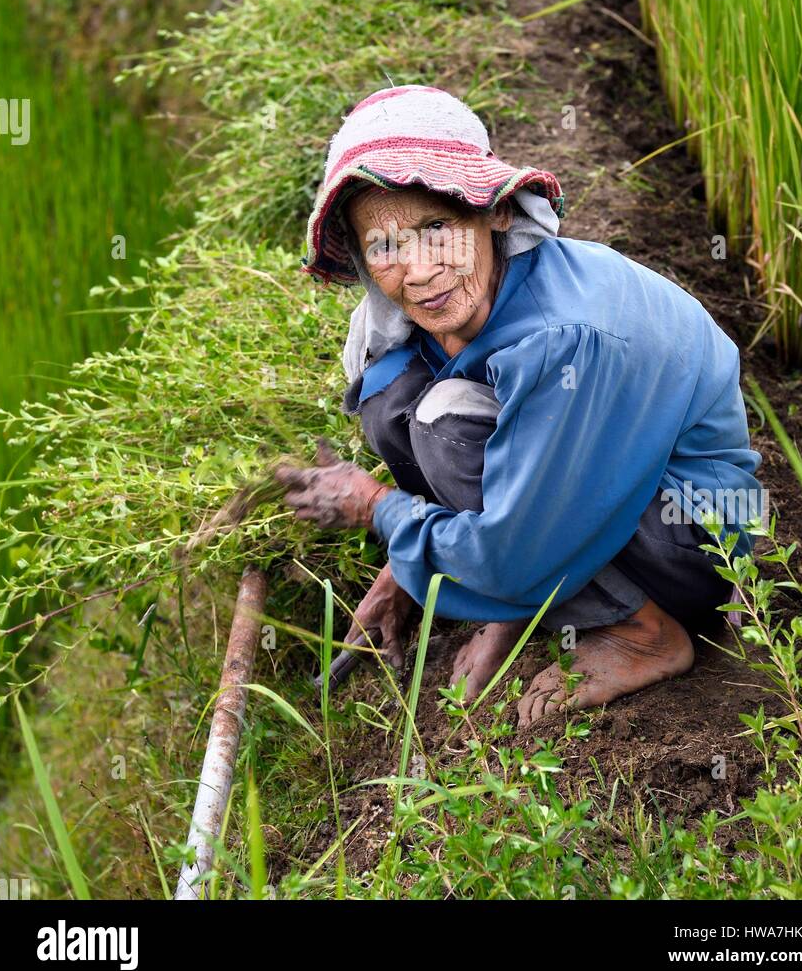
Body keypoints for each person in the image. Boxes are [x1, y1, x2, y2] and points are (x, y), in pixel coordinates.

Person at [275, 85, 762, 725]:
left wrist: (379, 511)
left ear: (496, 213)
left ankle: (644, 633)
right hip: (592, 494)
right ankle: (521, 596)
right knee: (393, 394)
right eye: (385, 247)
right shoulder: (454, 301)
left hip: (689, 543)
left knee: (444, 423)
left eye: (436, 228)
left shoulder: (559, 340)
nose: (417, 272)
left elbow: (507, 538)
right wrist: (402, 570)